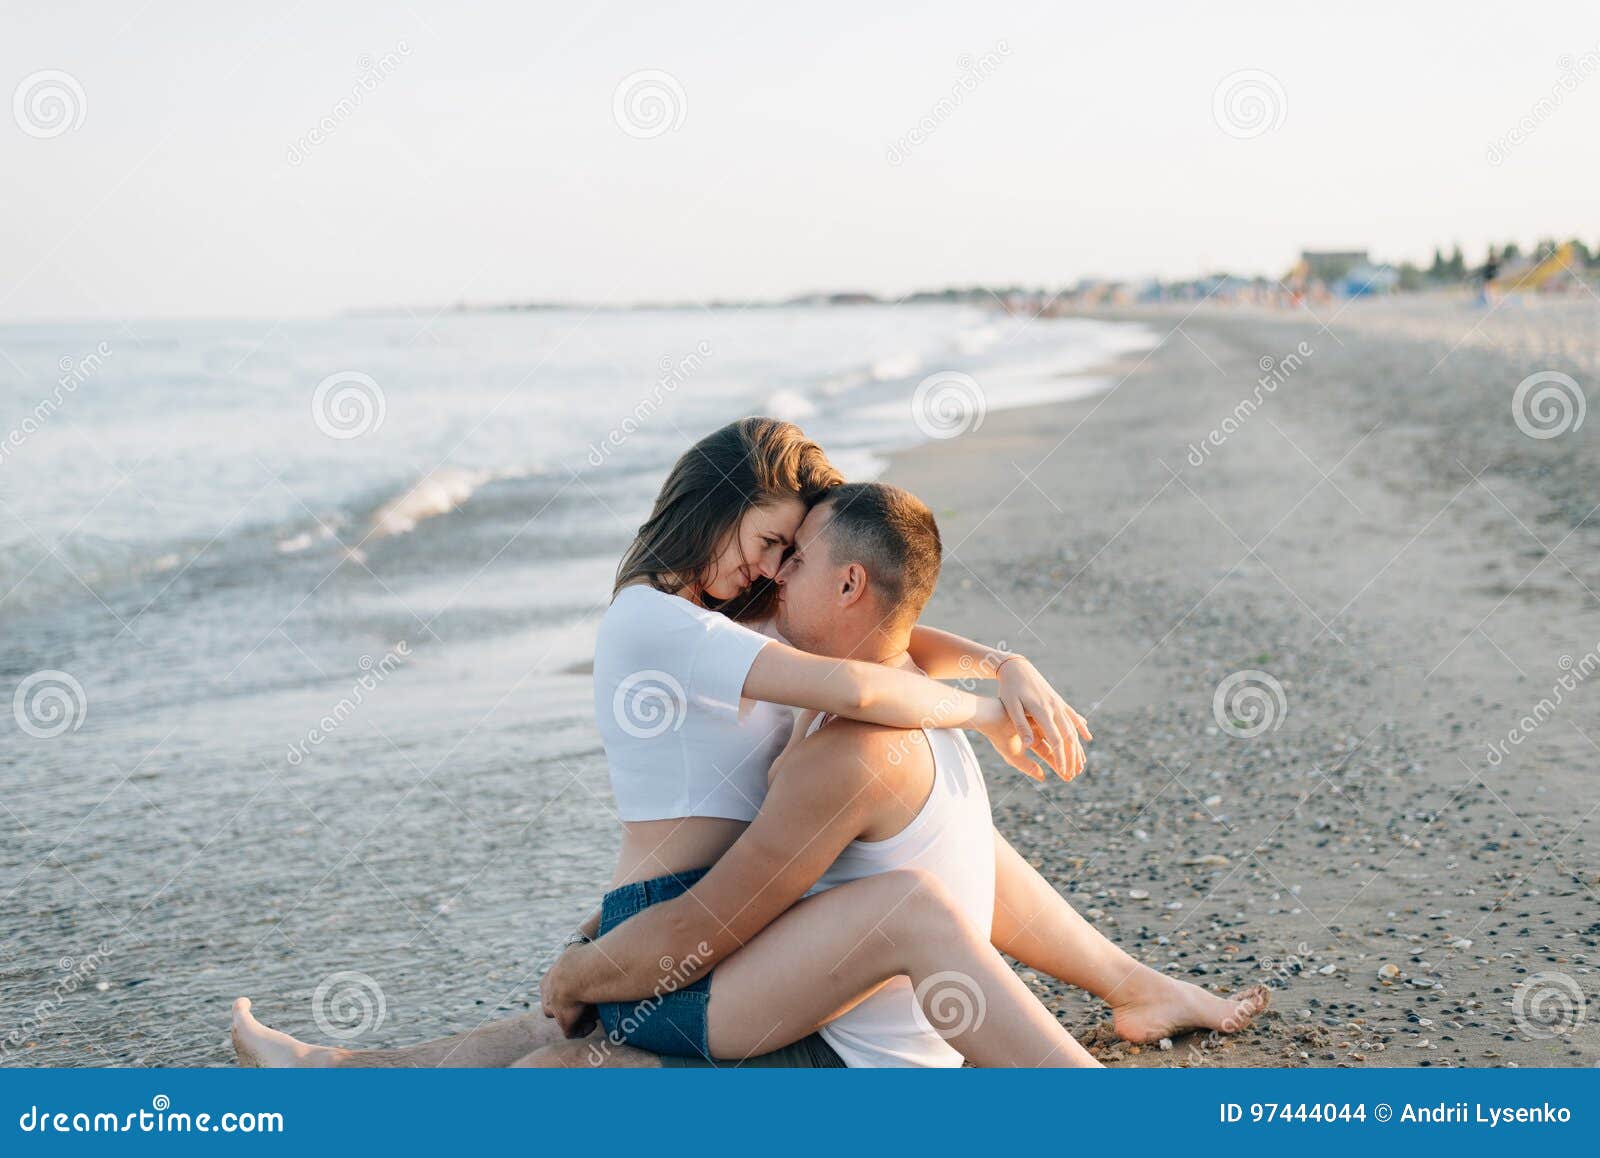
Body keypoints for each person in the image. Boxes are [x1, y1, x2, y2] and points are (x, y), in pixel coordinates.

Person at [231, 420, 1260, 1067]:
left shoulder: (743, 621)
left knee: (572, 1055)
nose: (774, 571)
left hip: (739, 913)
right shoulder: (655, 621)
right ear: (718, 509)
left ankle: (342, 1078)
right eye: (770, 543)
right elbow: (860, 670)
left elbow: (892, 633)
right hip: (679, 916)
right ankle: (339, 1079)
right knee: (571, 1044)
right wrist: (988, 709)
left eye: (792, 557)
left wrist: (1004, 660)